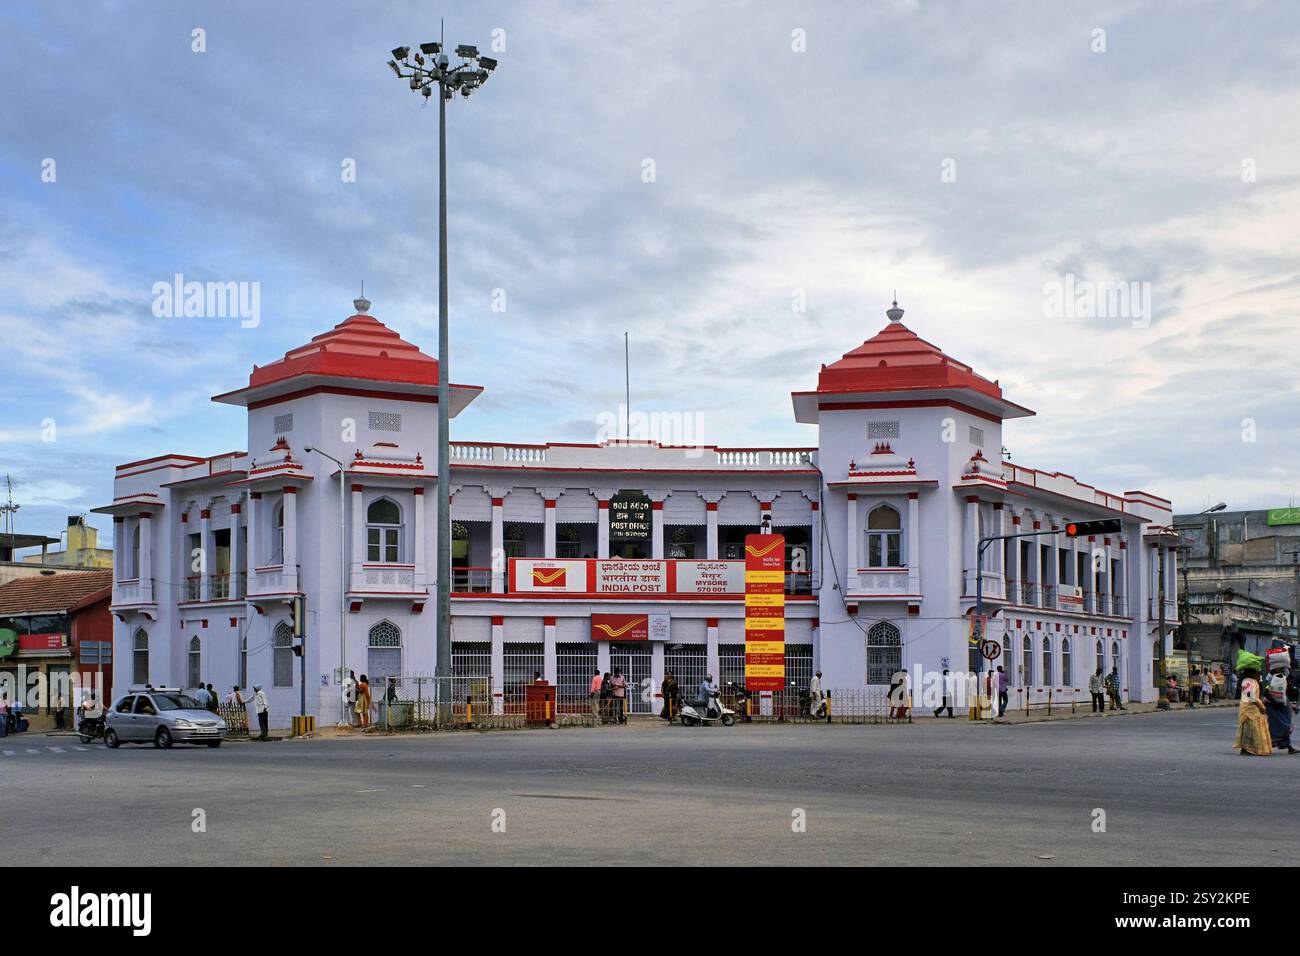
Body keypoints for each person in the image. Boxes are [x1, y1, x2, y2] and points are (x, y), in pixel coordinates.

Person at [1233, 656, 1271, 756]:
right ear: (1251, 673)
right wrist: (1260, 706)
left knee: (1254, 729)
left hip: (1254, 708)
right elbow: (1250, 696)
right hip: (1249, 709)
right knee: (1249, 729)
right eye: (1257, 673)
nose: (1258, 674)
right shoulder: (1247, 681)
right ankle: (1246, 749)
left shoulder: (1253, 681)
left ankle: (1252, 748)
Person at [1264, 664, 1296, 754]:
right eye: (1280, 669)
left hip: (1282, 705)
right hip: (1274, 706)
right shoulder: (1272, 680)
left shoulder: (1281, 678)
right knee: (1283, 726)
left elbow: (1283, 692)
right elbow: (1266, 692)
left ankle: (1288, 746)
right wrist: (1275, 701)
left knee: (1285, 724)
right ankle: (1271, 743)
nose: (1282, 670)